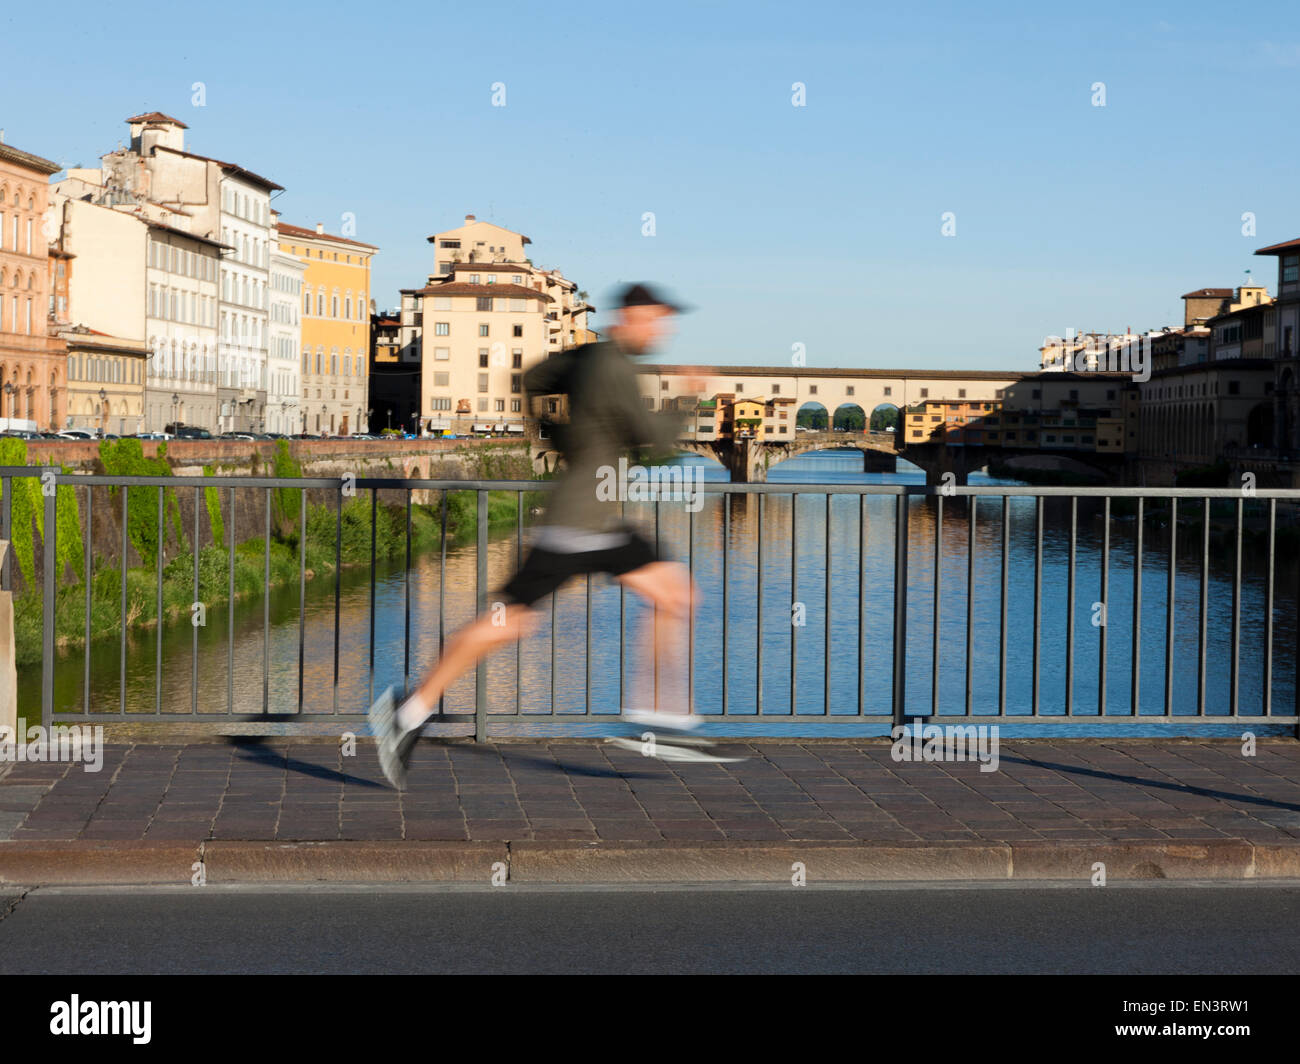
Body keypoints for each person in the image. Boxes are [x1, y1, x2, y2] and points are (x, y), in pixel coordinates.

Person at [368, 282, 737, 789]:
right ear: (629, 318)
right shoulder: (613, 368)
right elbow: (651, 445)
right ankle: (660, 720)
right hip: (586, 523)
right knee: (514, 622)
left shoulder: (588, 357)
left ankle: (409, 712)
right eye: (655, 319)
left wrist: (554, 433)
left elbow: (535, 375)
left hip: (593, 518)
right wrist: (691, 395)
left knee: (662, 596)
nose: (662, 329)